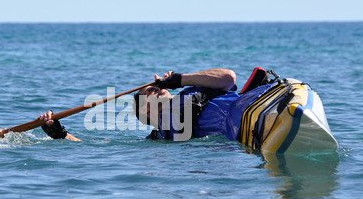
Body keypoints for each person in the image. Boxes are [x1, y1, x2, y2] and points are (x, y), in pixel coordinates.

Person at [39, 68, 248, 142]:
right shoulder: (160, 137)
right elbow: (96, 146)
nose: (157, 88)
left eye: (156, 87)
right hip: (249, 126)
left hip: (256, 104)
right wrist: (60, 133)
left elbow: (228, 78)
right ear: (144, 110)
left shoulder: (190, 90)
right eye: (150, 91)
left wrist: (180, 79)